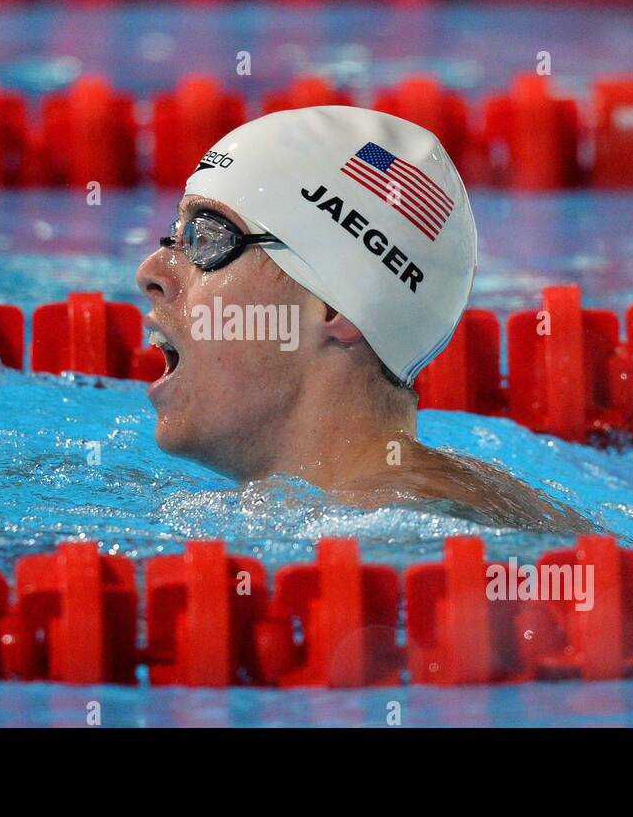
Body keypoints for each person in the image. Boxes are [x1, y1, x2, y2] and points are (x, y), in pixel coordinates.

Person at [136, 105, 591, 533]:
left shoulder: (417, 534)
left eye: (208, 238)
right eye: (175, 237)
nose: (150, 273)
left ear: (334, 304)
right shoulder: (370, 514)